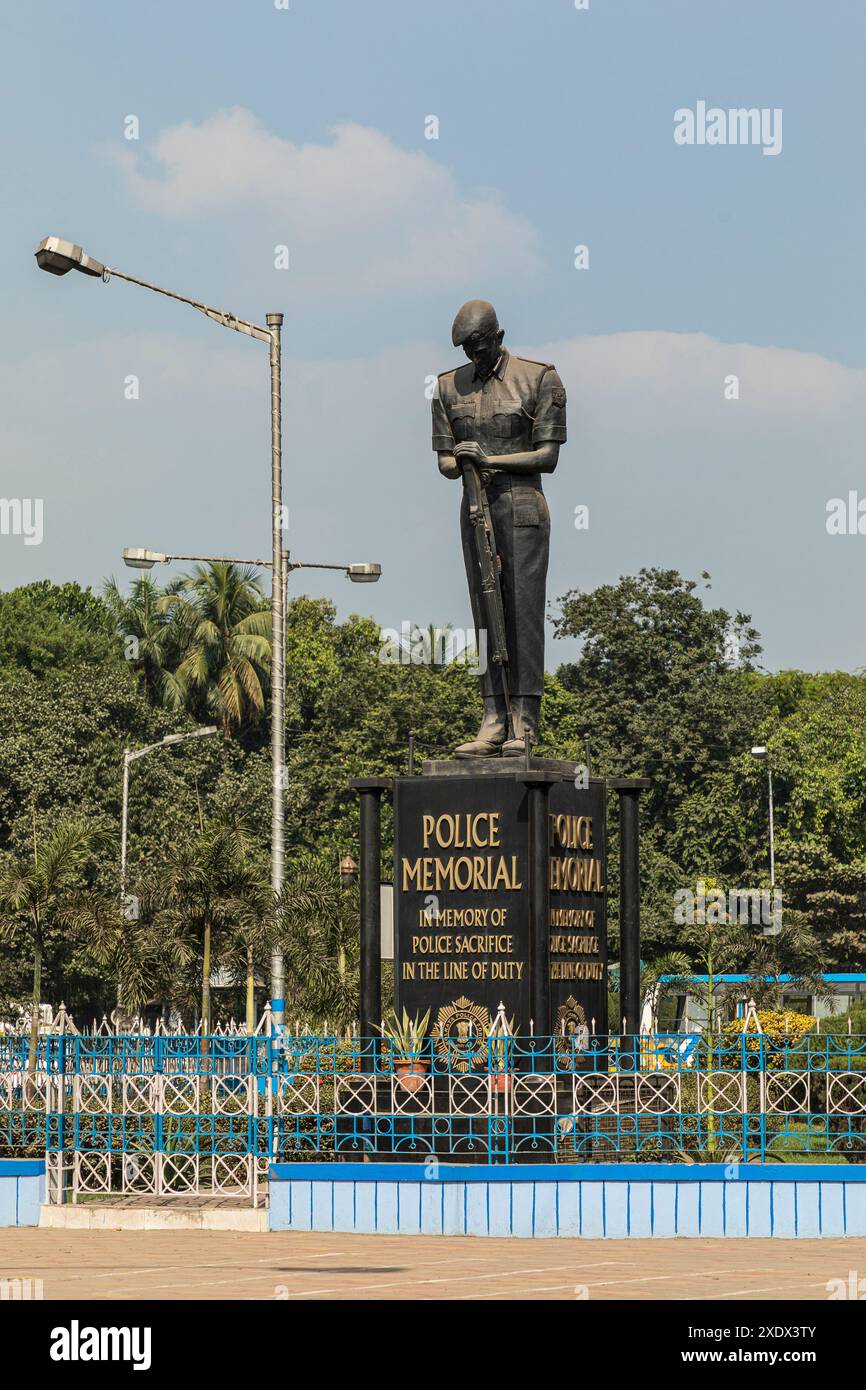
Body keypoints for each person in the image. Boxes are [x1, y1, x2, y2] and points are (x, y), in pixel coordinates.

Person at [432, 299, 567, 756]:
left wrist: (490, 459)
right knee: (483, 610)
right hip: (475, 505)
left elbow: (547, 457)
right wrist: (462, 463)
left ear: (499, 338)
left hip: (523, 503)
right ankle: (493, 715)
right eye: (467, 349)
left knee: (522, 613)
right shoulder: (448, 387)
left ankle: (524, 720)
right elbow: (445, 460)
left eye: (480, 346)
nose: (474, 355)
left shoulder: (538, 378)